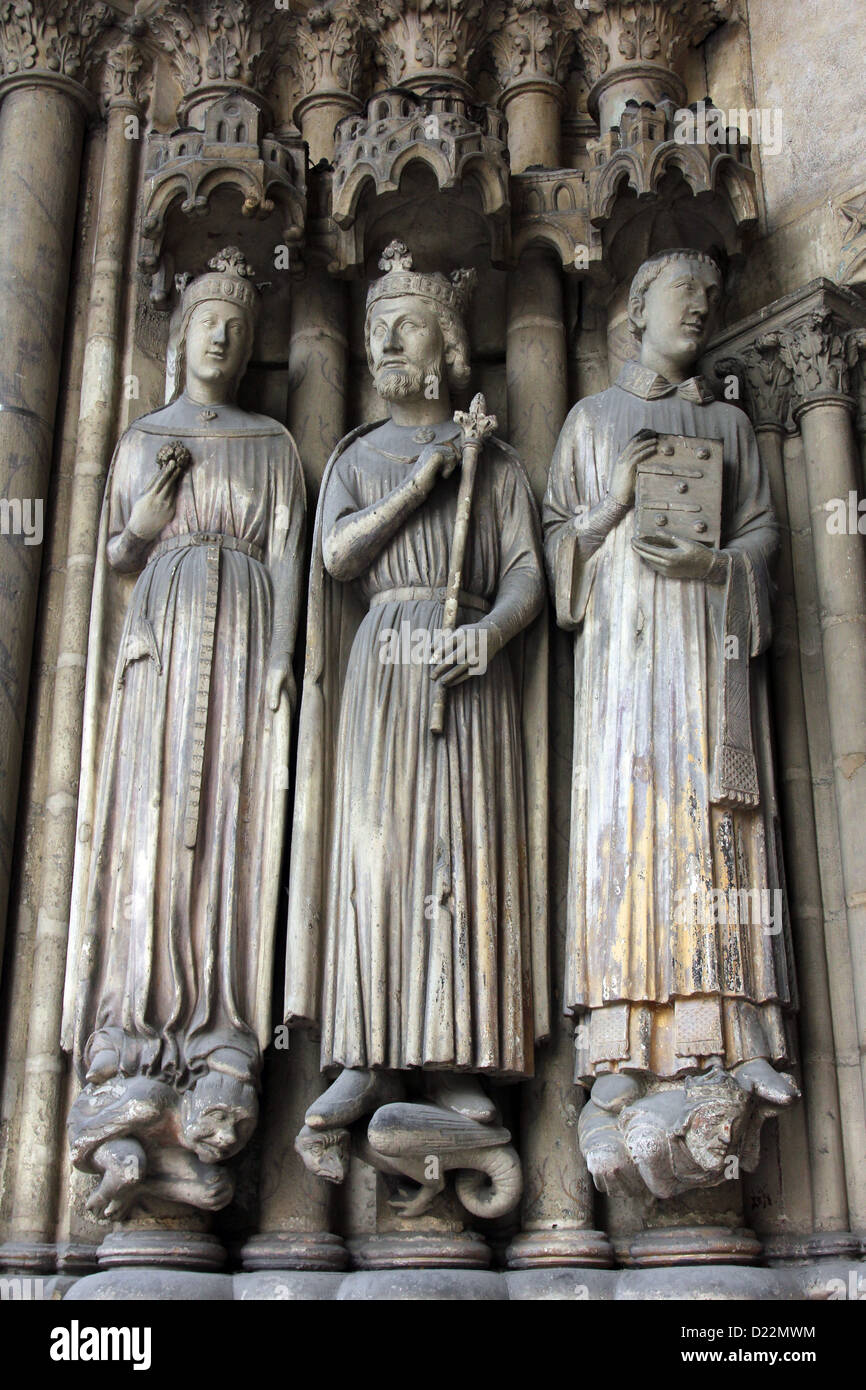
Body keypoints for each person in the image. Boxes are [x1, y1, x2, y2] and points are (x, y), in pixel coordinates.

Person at [285, 242, 548, 1140]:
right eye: (376, 334)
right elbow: (336, 556)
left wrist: (489, 631)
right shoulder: (360, 456)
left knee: (460, 848)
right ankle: (364, 1051)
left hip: (467, 659)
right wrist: (417, 484)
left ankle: (452, 1056)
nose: (387, 348)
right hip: (388, 653)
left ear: (449, 350)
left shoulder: (498, 461)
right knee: (380, 847)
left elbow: (525, 572)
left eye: (407, 331)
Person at [65, 248, 306, 1215]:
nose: (223, 333)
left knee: (233, 832)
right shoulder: (138, 441)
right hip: (162, 647)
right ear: (181, 333)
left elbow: (288, 553)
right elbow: (118, 556)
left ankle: (219, 1024)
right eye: (210, 316)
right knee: (153, 829)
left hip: (246, 643)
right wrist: (148, 519)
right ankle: (132, 1028)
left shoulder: (273, 443)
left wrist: (287, 656)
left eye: (240, 324)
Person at [543, 248, 798, 1139]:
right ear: (638, 306)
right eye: (686, 292)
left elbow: (766, 534)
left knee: (712, 820)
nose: (702, 308)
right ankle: (620, 1045)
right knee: (631, 820)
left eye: (712, 297)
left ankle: (730, 1027)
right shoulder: (590, 420)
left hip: (706, 645)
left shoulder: (727, 423)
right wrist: (610, 505)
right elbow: (555, 556)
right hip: (622, 659)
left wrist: (718, 563)